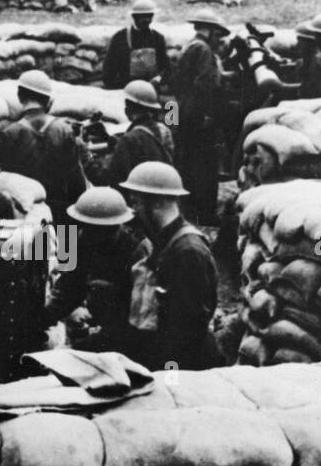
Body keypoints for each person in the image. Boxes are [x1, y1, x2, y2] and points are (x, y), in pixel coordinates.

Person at [122, 162, 223, 371]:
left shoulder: (187, 252)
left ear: (157, 203)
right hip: (170, 359)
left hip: (186, 367)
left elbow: (188, 333)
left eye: (137, 203)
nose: (133, 212)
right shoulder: (162, 243)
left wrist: (168, 379)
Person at [44, 187, 140, 353]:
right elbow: (68, 289)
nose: (88, 232)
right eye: (86, 226)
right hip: (103, 330)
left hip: (128, 335)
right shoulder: (85, 241)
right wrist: (39, 321)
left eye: (98, 229)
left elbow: (136, 317)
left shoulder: (136, 251)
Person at [0, 70, 86, 222]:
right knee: (65, 247)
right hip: (62, 214)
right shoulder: (65, 130)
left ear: (19, 96)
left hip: (27, 216)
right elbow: (76, 181)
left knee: (30, 246)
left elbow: (5, 182)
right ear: (47, 100)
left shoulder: (10, 134)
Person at [174, 9, 231, 225]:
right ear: (208, 31)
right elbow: (206, 84)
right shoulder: (204, 49)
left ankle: (189, 210)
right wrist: (207, 114)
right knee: (206, 165)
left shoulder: (189, 46)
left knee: (187, 162)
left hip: (185, 112)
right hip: (199, 115)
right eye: (217, 35)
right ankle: (206, 214)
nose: (219, 40)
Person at [90, 81, 175, 188]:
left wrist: (85, 154)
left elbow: (104, 178)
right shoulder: (163, 131)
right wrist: (109, 138)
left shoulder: (130, 139)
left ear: (129, 109)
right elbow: (144, 149)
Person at [102, 0, 171, 91]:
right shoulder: (120, 38)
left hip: (151, 88)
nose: (146, 20)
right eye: (142, 17)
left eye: (149, 16)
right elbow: (109, 67)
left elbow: (165, 66)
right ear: (134, 17)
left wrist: (157, 79)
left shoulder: (157, 38)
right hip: (126, 87)